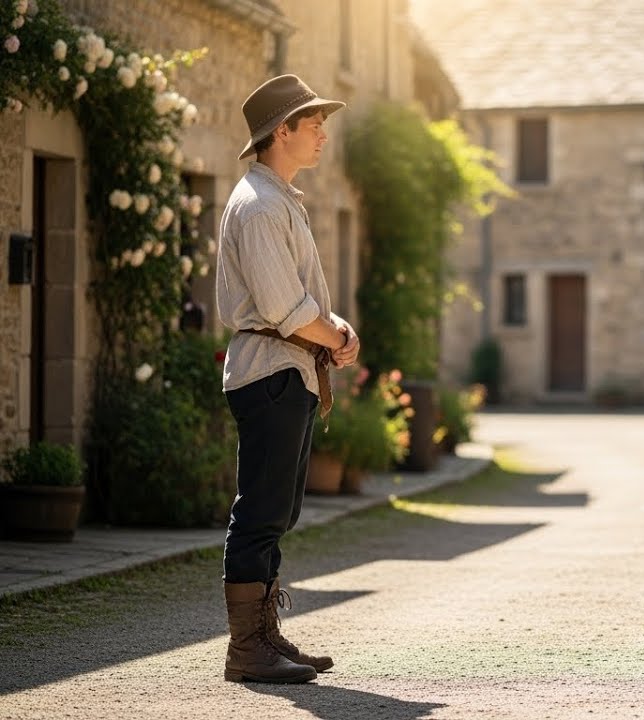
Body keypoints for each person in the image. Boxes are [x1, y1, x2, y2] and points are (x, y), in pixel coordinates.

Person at [215, 74, 361, 684]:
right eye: (312, 122)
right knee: (262, 511)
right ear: (283, 132)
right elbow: (286, 308)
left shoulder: (277, 200)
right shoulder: (262, 205)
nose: (324, 132)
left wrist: (333, 331)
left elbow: (299, 305)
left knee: (278, 509)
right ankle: (247, 649)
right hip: (271, 372)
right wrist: (341, 337)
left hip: (287, 371)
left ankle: (263, 638)